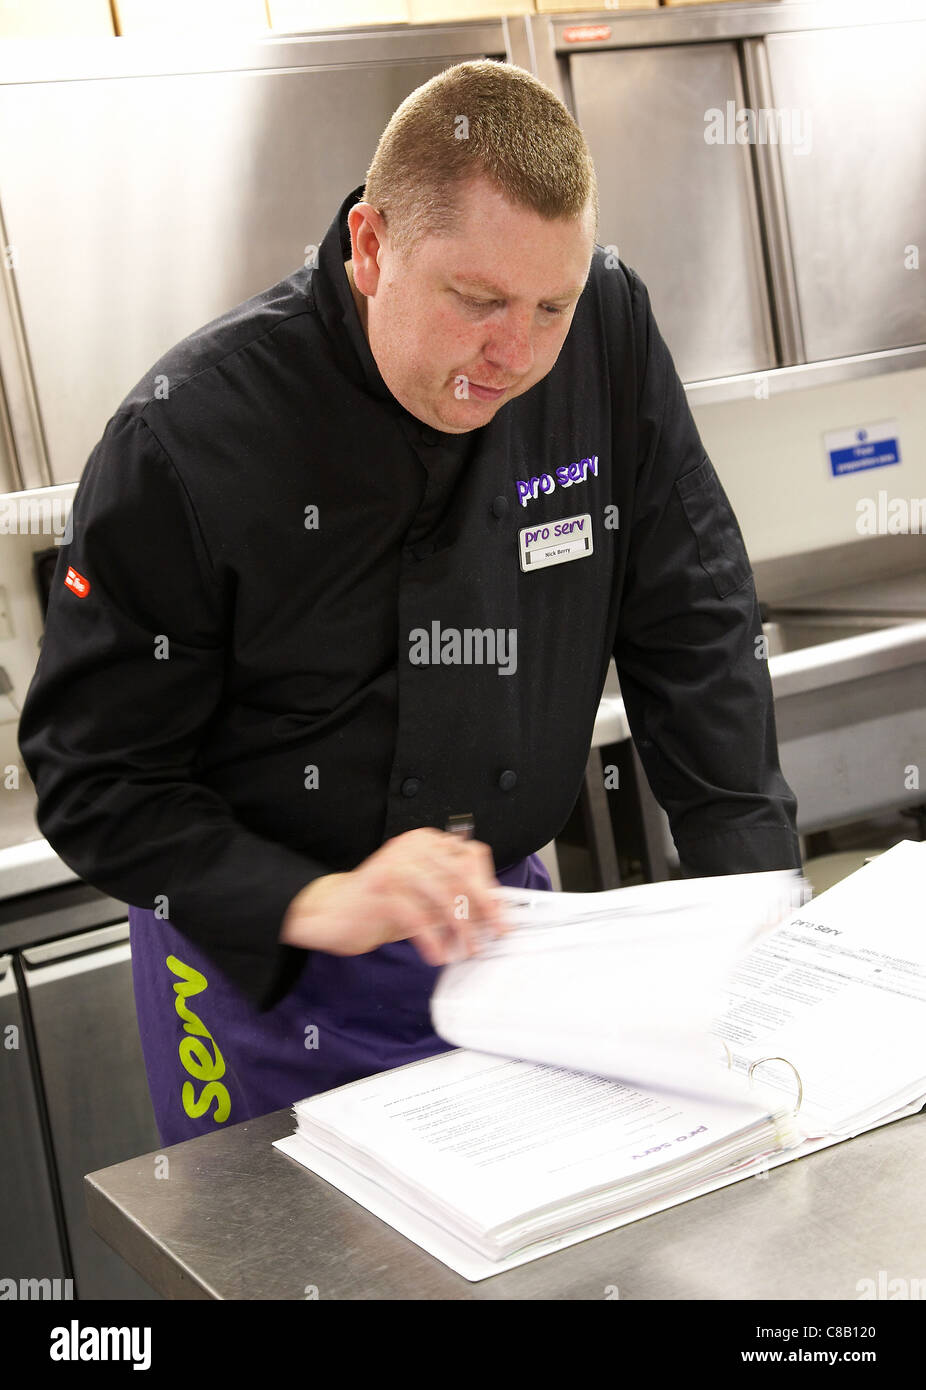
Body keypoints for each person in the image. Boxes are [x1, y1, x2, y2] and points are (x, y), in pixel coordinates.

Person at [18, 60, 800, 1147]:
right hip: (256, 974)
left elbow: (692, 622)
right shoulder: (187, 441)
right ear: (371, 247)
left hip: (493, 935)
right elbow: (94, 773)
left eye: (548, 308)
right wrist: (310, 902)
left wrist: (753, 914)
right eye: (476, 302)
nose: (515, 355)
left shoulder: (607, 329)